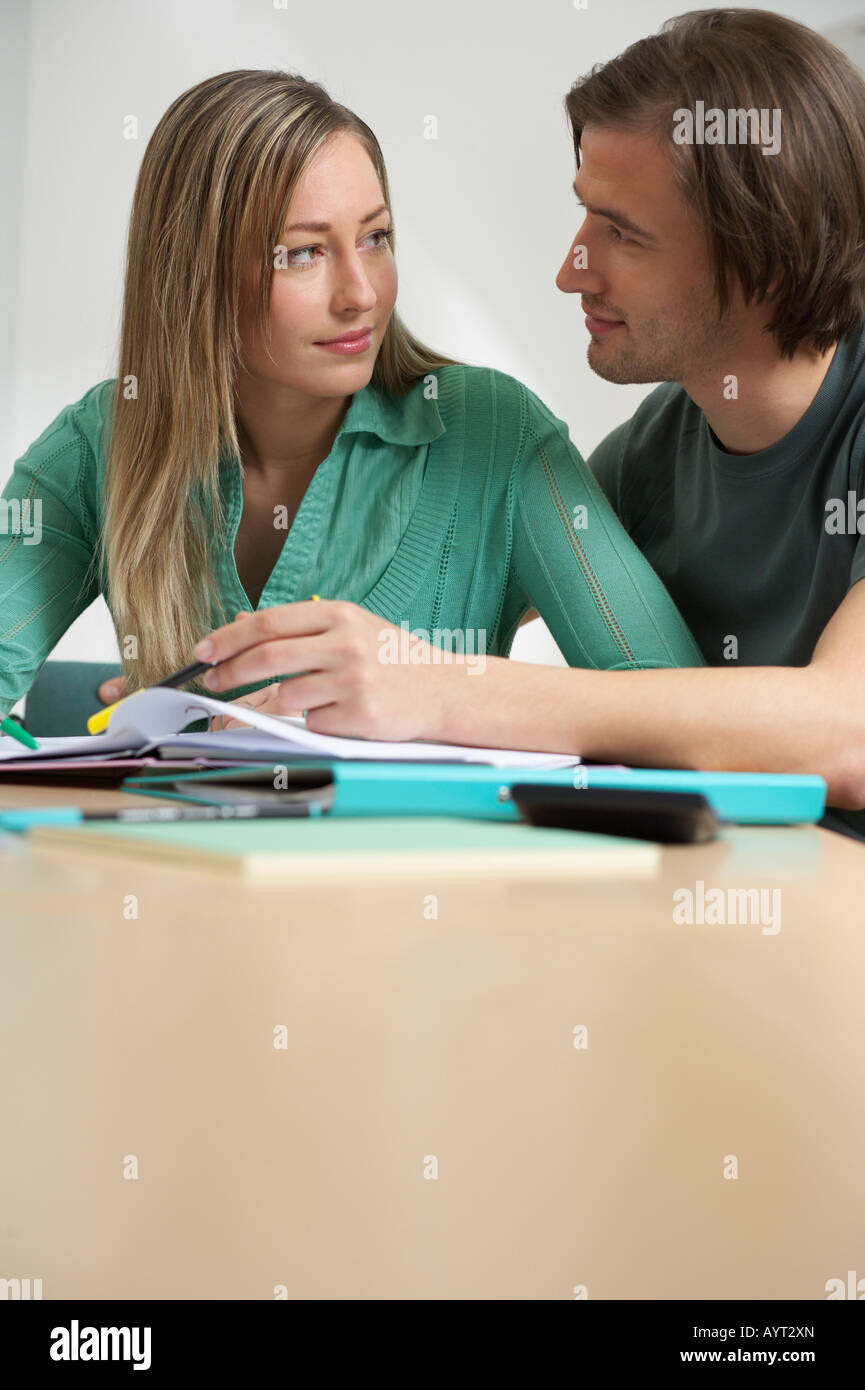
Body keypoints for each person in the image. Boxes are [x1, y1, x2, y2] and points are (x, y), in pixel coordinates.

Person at [195, 11, 865, 840]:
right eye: (586, 215)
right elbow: (447, 590)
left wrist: (443, 688)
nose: (568, 270)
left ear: (762, 256)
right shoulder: (647, 461)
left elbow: (850, 732)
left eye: (621, 233)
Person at [0, 68, 703, 737]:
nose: (360, 294)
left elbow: (673, 708)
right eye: (304, 253)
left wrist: (442, 688)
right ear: (195, 278)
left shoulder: (497, 433)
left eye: (375, 238)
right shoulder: (101, 441)